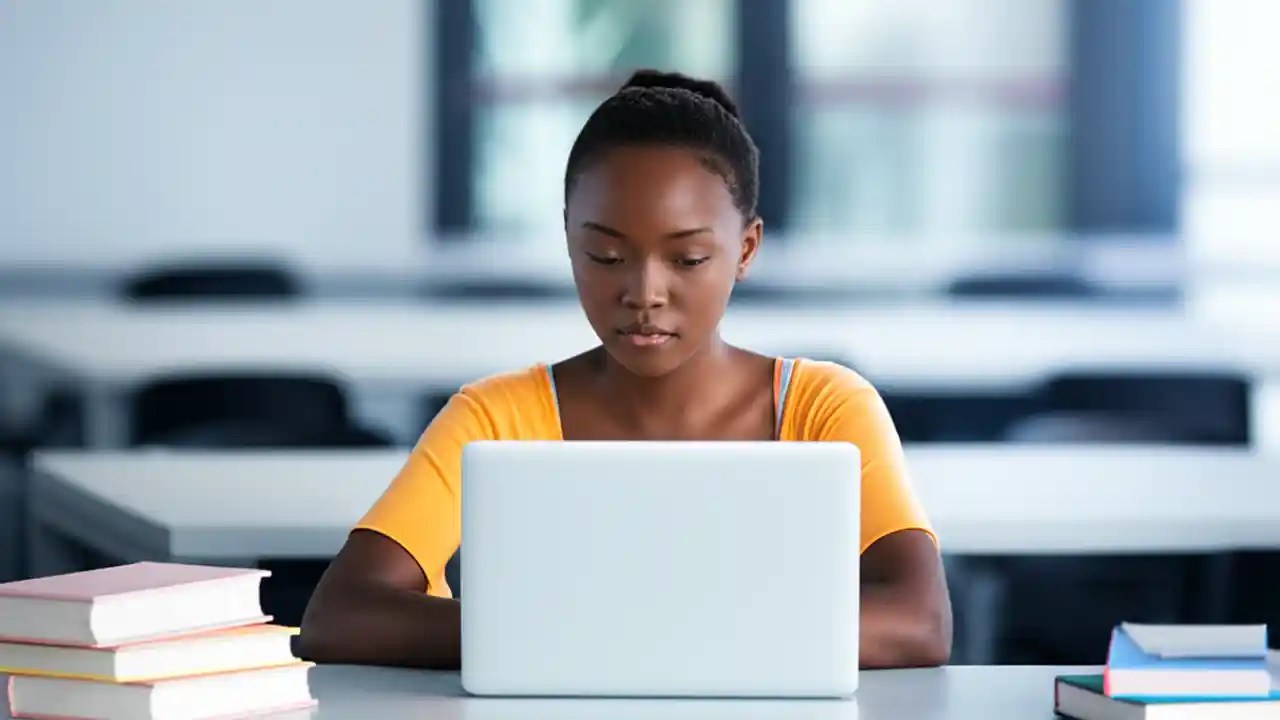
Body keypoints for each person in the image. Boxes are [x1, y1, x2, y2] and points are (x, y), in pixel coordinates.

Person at [299, 70, 951, 670]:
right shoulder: (495, 417)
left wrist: (591, 635)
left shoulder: (827, 407)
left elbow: (920, 623)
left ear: (746, 249)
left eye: (688, 259)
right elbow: (341, 615)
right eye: (606, 256)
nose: (644, 292)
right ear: (569, 240)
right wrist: (651, 636)